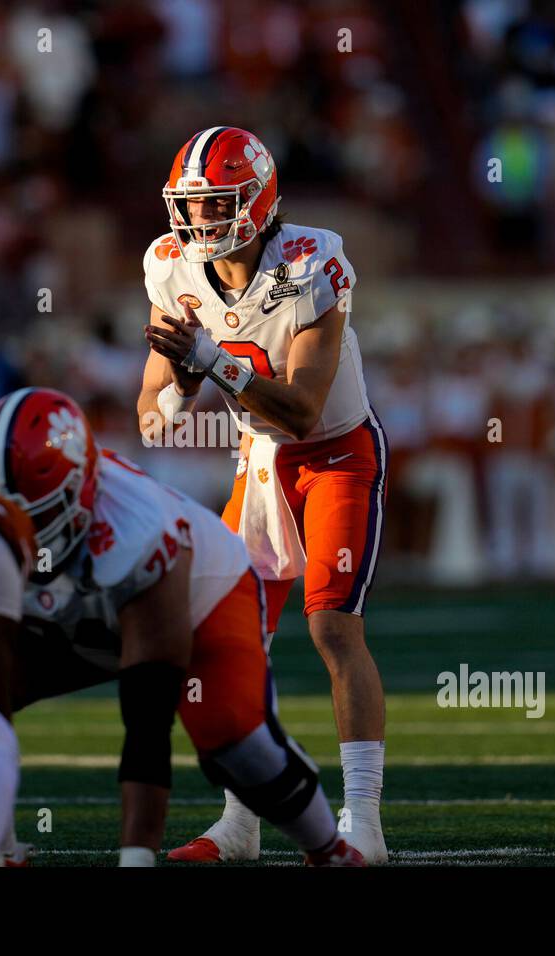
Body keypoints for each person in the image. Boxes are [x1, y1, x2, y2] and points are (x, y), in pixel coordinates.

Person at [137, 126, 389, 863]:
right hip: (260, 459)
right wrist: (180, 384)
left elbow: (306, 408)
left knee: (334, 630)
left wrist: (209, 358)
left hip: (336, 452)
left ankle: (364, 823)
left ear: (256, 201)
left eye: (215, 205)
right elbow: (152, 416)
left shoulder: (312, 261)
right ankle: (240, 823)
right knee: (233, 639)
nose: (197, 223)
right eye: (190, 206)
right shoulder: (168, 266)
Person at [0, 387, 364, 866]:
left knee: (232, 741)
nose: (26, 530)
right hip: (87, 600)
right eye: (11, 513)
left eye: (39, 514)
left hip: (203, 596)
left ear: (82, 486)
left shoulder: (138, 534)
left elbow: (147, 722)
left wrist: (135, 859)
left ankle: (330, 850)